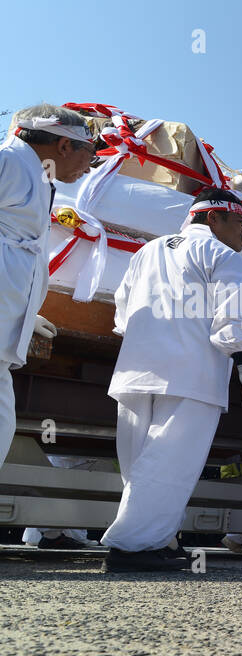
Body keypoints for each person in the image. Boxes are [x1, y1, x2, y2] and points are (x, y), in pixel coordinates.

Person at [100, 189, 242, 571]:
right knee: (169, 467)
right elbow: (235, 315)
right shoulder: (222, 256)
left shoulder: (146, 252)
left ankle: (159, 539)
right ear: (214, 218)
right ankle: (132, 549)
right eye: (240, 224)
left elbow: (123, 315)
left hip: (136, 372)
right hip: (192, 375)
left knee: (141, 465)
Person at [2, 105, 96, 467]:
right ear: (63, 146)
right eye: (90, 153)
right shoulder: (10, 161)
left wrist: (27, 311)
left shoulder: (38, 178)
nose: (89, 166)